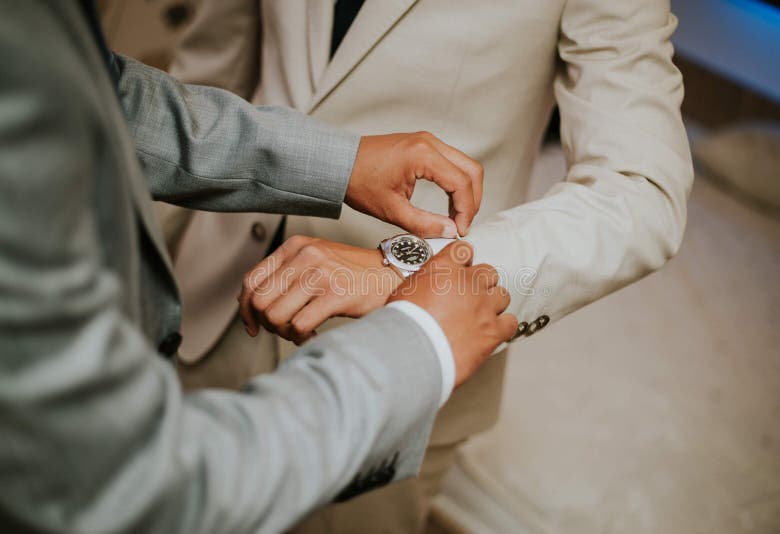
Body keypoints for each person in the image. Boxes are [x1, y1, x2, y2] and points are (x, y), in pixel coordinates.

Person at [166, 0, 695, 532]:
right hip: (208, 302)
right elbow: (205, 79)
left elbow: (639, 189)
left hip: (402, 373)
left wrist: (408, 270)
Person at [0, 1, 517, 532]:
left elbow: (111, 93)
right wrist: (416, 343)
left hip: (401, 366)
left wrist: (339, 164)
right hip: (215, 307)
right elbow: (128, 483)